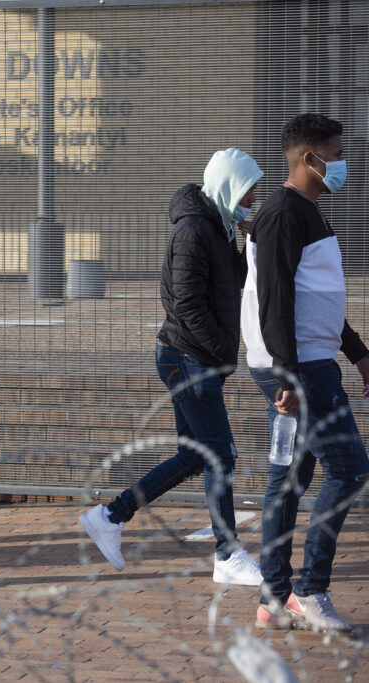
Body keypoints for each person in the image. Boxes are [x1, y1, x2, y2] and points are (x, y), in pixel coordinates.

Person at [79, 148, 263, 585]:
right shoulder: (194, 230)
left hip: (196, 356)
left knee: (193, 454)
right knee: (221, 455)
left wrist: (250, 240)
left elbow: (228, 283)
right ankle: (228, 556)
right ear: (228, 187)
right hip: (187, 357)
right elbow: (185, 304)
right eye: (248, 190)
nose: (253, 198)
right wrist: (223, 348)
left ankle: (111, 516)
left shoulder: (218, 226)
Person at [242, 114, 369, 632]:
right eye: (334, 154)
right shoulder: (282, 215)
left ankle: (274, 597)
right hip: (301, 369)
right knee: (350, 469)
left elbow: (314, 298)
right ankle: (310, 592)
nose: (342, 163)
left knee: (289, 480)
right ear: (307, 159)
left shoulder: (309, 214)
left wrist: (357, 351)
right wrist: (289, 376)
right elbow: (273, 300)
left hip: (307, 362)